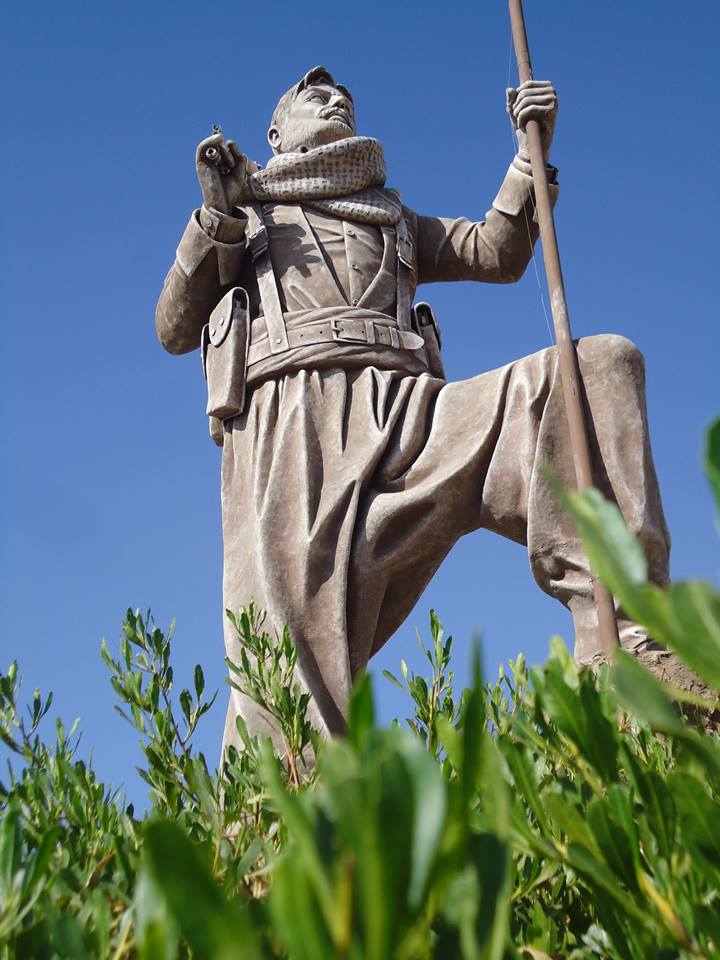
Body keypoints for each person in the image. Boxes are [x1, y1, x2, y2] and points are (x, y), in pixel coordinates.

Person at [156, 66, 670, 750]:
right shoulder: (248, 217)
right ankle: (279, 836)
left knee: (598, 367)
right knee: (288, 688)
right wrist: (216, 219)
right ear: (275, 132)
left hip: (409, 416)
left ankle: (626, 636)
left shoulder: (392, 217)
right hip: (295, 429)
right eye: (314, 95)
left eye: (343, 94)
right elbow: (173, 327)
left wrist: (529, 153)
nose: (335, 97)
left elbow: (497, 250)